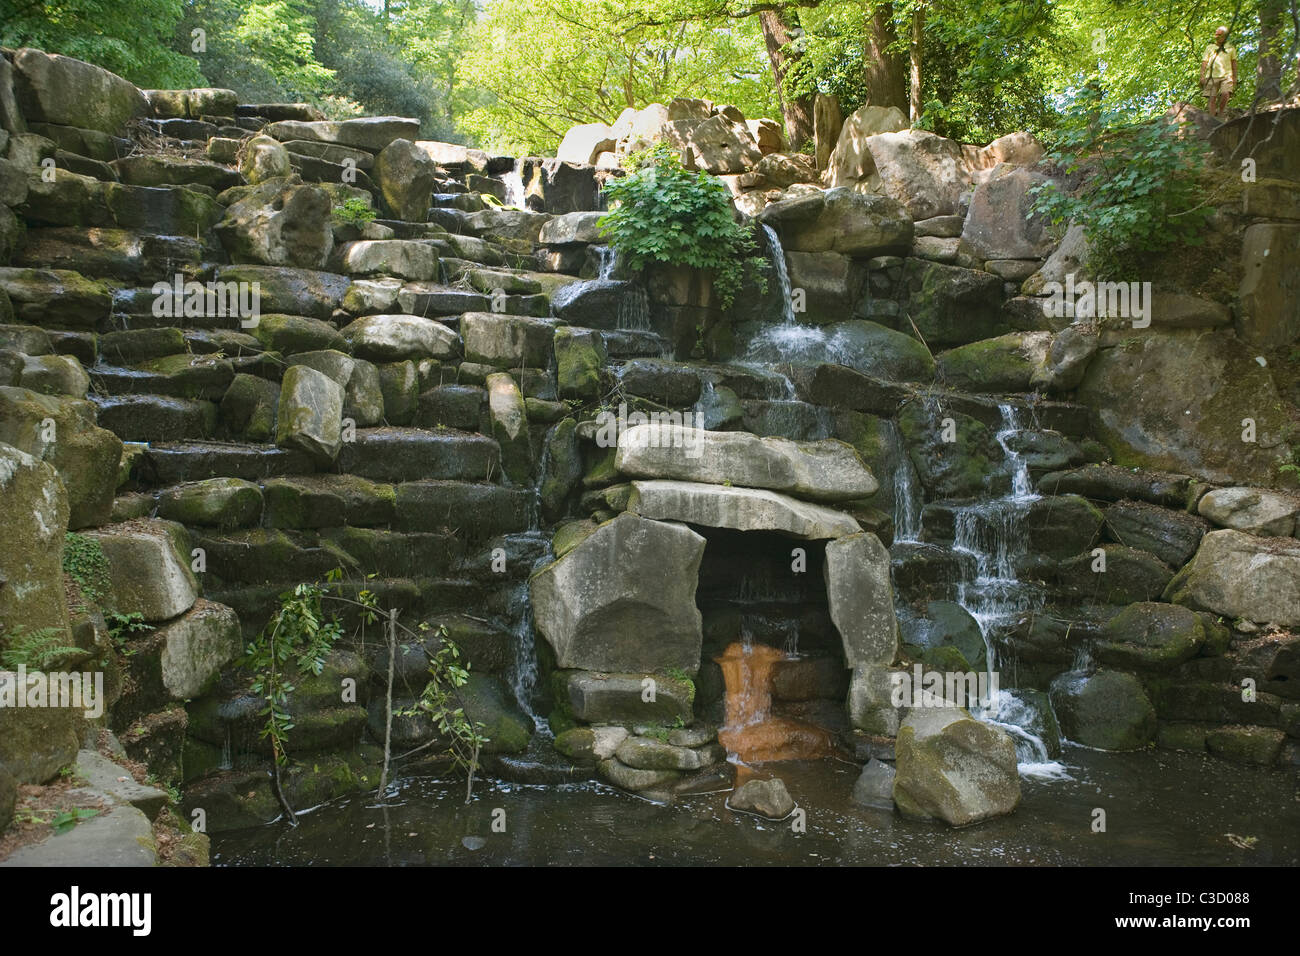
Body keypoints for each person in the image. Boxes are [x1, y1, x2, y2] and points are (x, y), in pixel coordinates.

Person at [1200, 26, 1238, 118]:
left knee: (1225, 94)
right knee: (1212, 98)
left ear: (1224, 36)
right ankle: (1212, 118)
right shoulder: (1210, 48)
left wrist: (1235, 77)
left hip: (1227, 76)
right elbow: (1204, 62)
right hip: (1211, 76)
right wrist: (1202, 76)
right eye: (1216, 34)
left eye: (1219, 34)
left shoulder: (1230, 48)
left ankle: (1221, 113)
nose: (1216, 36)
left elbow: (1234, 63)